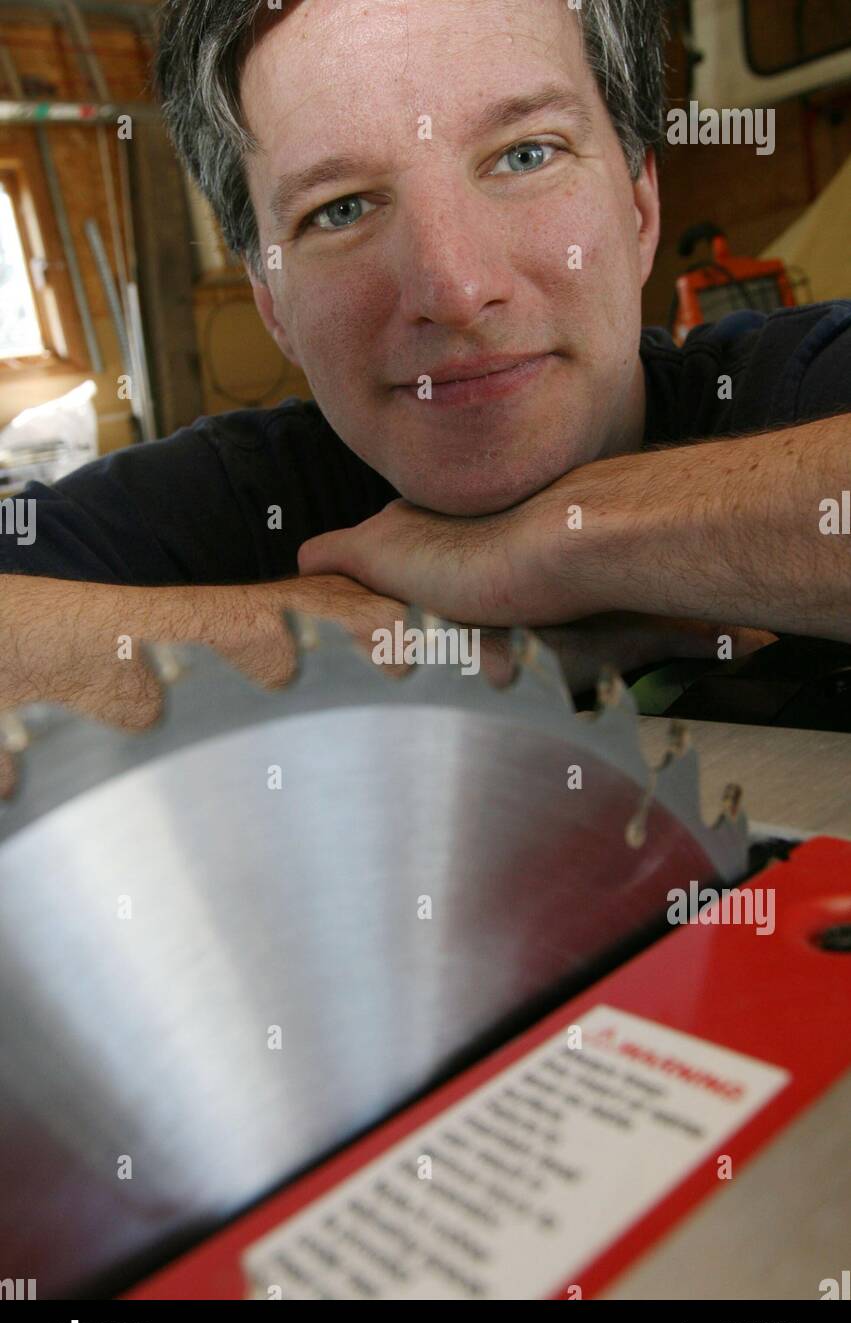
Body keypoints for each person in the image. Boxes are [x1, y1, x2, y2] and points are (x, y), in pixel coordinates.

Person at [1, 0, 849, 798]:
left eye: (526, 154)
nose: (454, 287)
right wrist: (354, 643)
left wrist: (560, 542)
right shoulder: (230, 502)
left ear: (636, 207)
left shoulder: (799, 388)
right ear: (272, 305)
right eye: (339, 210)